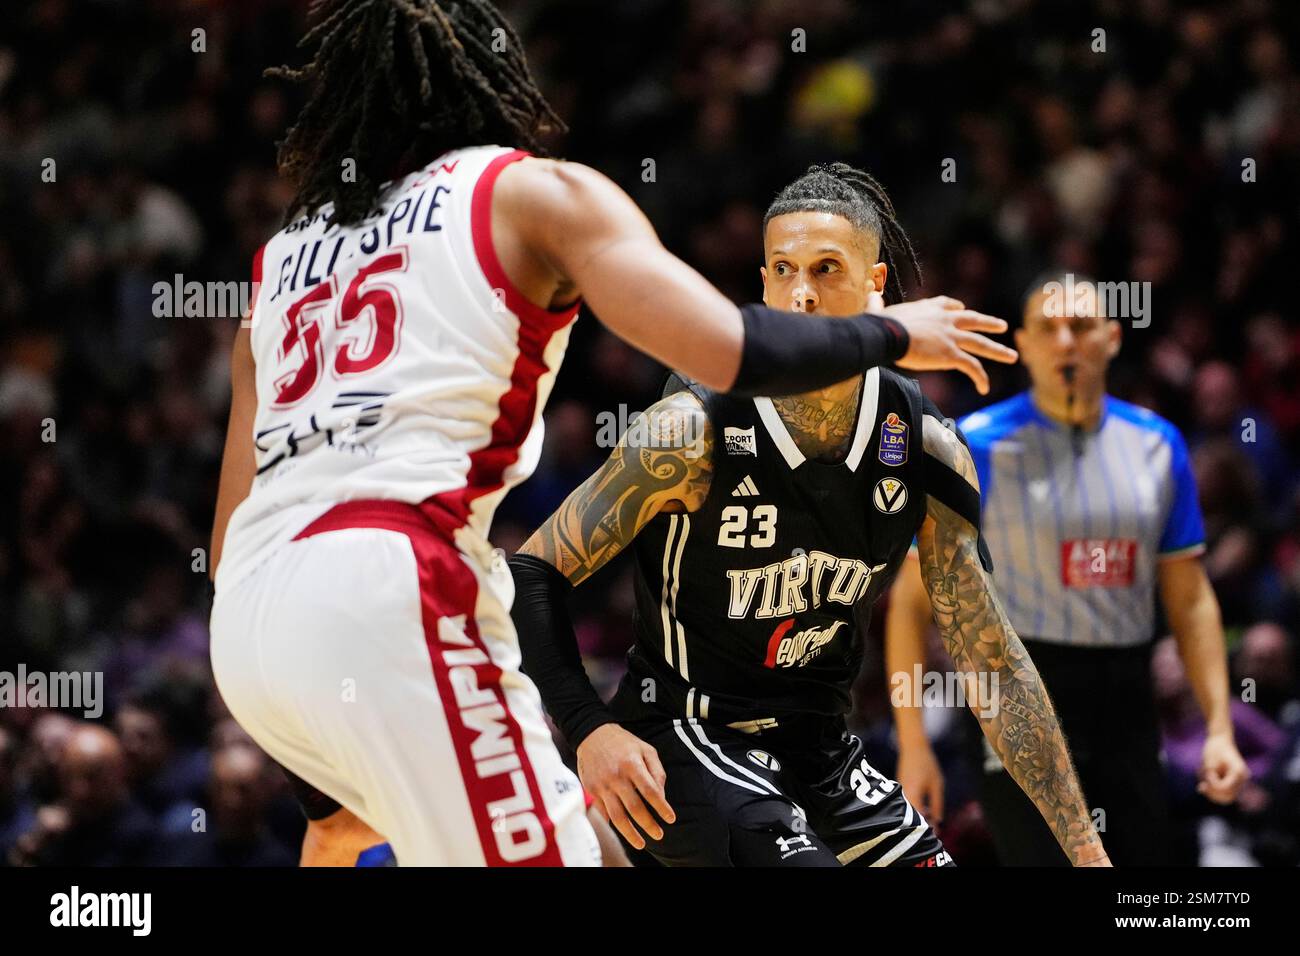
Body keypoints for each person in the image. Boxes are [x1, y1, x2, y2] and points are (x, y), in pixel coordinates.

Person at [207, 0, 1016, 867]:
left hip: (252, 619)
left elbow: (224, 543)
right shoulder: (533, 192)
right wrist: (896, 333)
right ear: (496, 87)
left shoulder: (281, 261)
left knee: (350, 831)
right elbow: (731, 347)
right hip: (391, 580)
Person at [511, 165, 1108, 866]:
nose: (801, 293)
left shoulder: (923, 446)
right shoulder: (691, 431)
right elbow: (532, 571)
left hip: (820, 752)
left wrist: (1087, 854)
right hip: (682, 737)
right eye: (784, 271)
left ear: (876, 285)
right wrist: (588, 729)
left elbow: (991, 661)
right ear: (762, 285)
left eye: (827, 269)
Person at [885, 274, 1249, 865]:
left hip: (1126, 697)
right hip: (1011, 688)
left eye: (1081, 327)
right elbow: (910, 601)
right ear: (1024, 345)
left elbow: (1190, 599)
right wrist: (912, 745)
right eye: (1049, 330)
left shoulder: (1159, 446)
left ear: (1111, 338)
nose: (1065, 343)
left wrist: (1219, 728)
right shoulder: (974, 445)